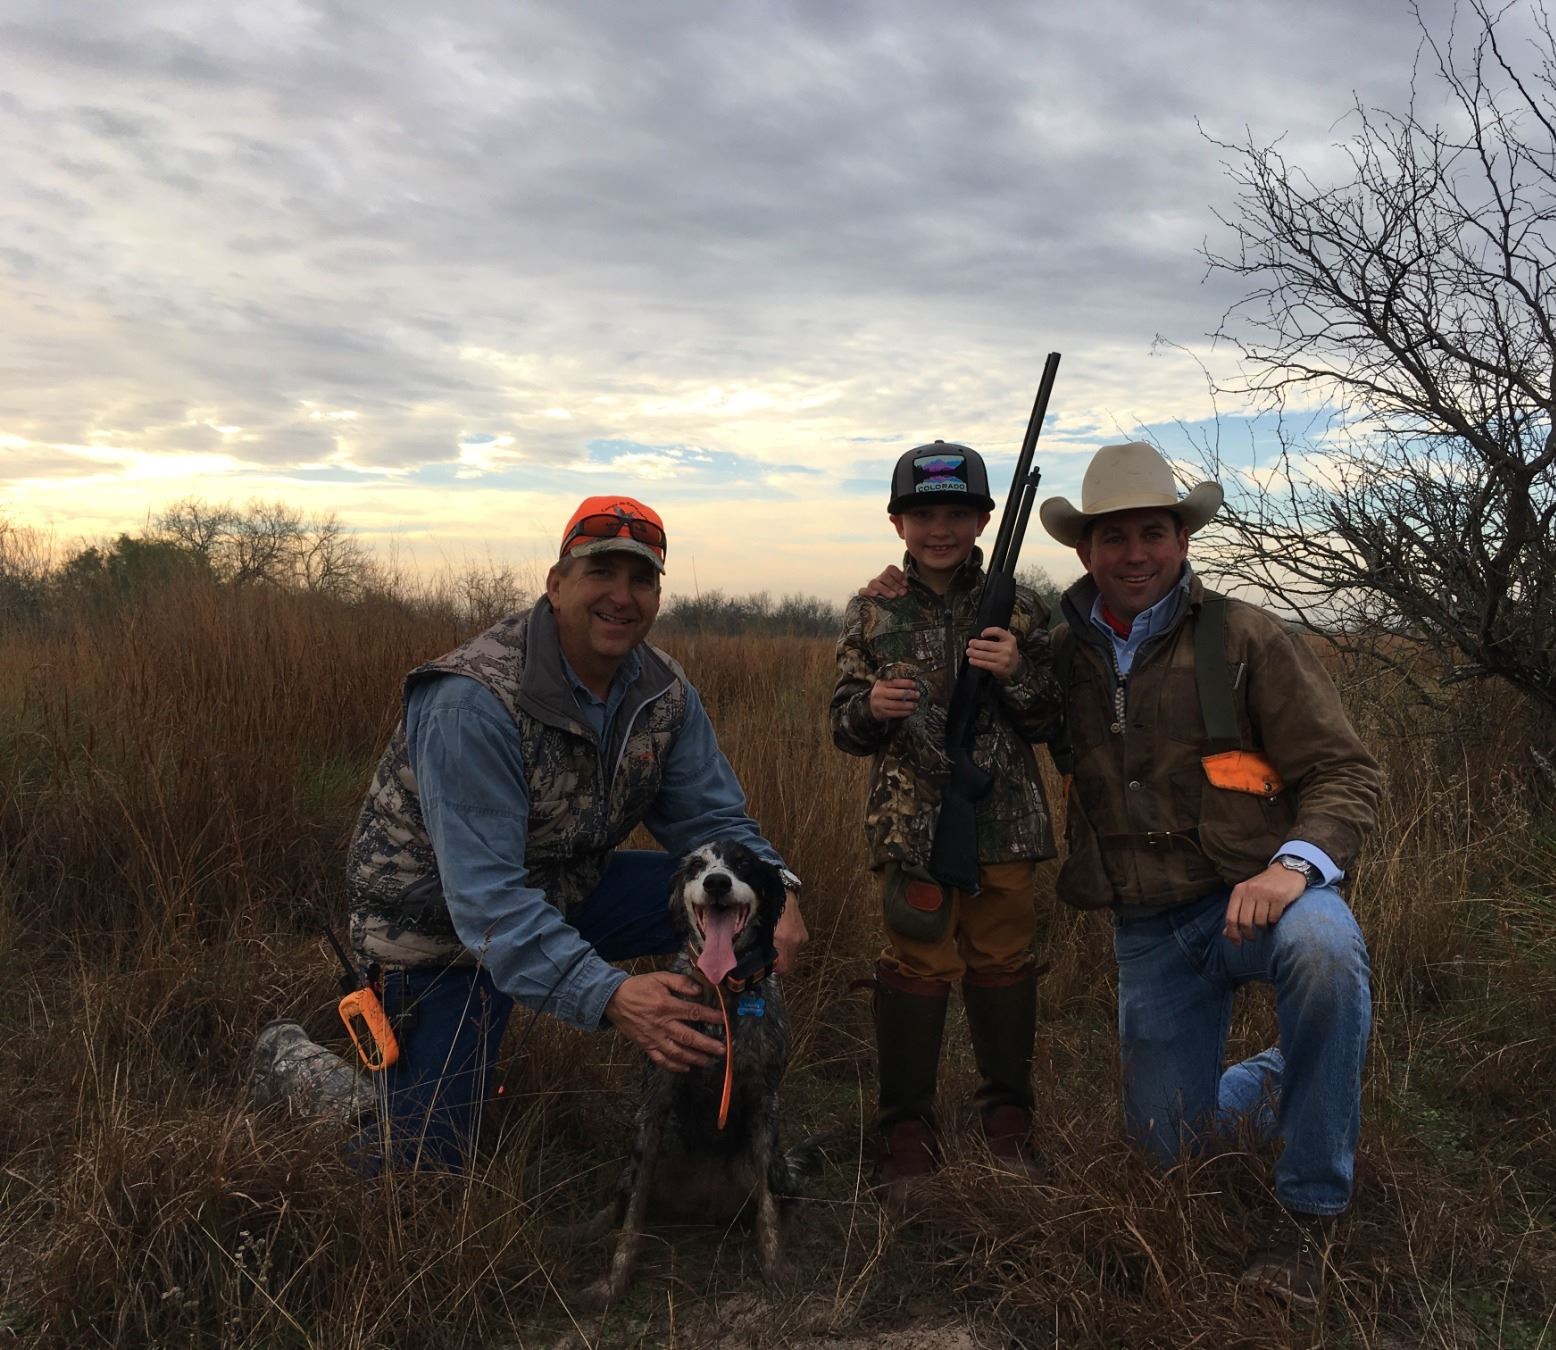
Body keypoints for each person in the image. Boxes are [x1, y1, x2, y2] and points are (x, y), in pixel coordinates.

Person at [257, 495, 808, 1170]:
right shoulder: (472, 698)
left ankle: (713, 1079)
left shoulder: (663, 692)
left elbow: (711, 820)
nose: (622, 597)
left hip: (563, 891)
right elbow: (486, 902)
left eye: (642, 580)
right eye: (600, 573)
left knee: (725, 900)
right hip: (440, 936)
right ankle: (295, 1064)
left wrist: (777, 888)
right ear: (556, 584)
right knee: (420, 1167)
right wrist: (608, 995)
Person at [1042, 441, 1381, 1306]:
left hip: (1260, 903)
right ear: (1085, 551)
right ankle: (1279, 1077)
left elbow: (1347, 773)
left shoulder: (1247, 636)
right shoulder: (1056, 651)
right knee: (1170, 1162)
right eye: (1112, 538)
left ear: (1183, 539)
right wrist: (894, 586)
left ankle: (1307, 1217)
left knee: (1325, 957)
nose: (1134, 554)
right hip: (1150, 931)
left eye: (1152, 533)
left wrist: (1293, 867)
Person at [829, 440, 1061, 1190]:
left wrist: (1017, 674)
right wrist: (870, 707)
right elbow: (841, 726)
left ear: (985, 519)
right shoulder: (874, 606)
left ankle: (1007, 1115)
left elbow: (1052, 716)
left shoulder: (1021, 605)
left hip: (1005, 823)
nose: (940, 529)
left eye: (957, 513)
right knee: (917, 960)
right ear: (898, 522)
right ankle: (904, 1124)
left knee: (1002, 960)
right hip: (912, 827)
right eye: (924, 514)